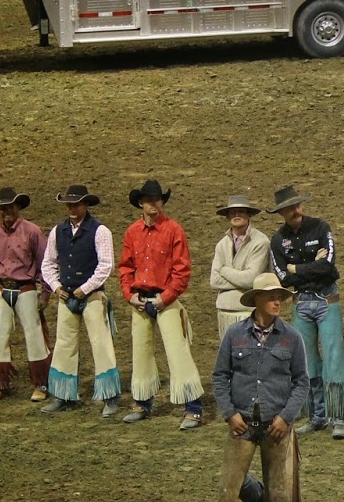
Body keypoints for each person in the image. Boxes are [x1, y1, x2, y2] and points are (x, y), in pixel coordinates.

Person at [211, 272, 310, 502]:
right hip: (241, 422)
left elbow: (301, 381)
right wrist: (229, 413)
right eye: (271, 296)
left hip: (276, 424)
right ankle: (258, 500)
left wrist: (286, 417)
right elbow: (220, 376)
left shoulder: (292, 338)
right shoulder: (234, 335)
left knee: (280, 488)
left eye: (279, 296)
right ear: (257, 300)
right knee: (233, 482)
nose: (277, 300)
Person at [118, 178, 205, 428]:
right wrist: (129, 294)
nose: (153, 204)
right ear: (141, 203)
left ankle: (193, 407)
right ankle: (142, 402)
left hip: (164, 299)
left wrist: (165, 297)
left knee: (178, 352)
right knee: (140, 352)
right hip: (140, 298)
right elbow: (126, 267)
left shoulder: (173, 229)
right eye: (149, 200)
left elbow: (182, 270)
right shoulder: (132, 232)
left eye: (157, 199)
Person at [267, 184, 344, 439]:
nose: (295, 210)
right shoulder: (277, 240)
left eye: (297, 205)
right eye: (289, 208)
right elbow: (282, 277)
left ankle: (339, 418)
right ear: (282, 212)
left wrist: (297, 269)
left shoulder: (321, 227)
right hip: (301, 303)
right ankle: (317, 416)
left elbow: (328, 266)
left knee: (334, 357)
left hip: (326, 300)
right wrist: (310, 265)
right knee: (307, 362)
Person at [40, 184, 122, 416]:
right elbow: (48, 262)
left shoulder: (100, 231)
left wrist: (84, 288)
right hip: (66, 296)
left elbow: (106, 266)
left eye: (75, 204)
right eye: (69, 204)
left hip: (92, 296)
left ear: (85, 205)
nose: (71, 208)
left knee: (101, 344)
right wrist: (56, 287)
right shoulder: (58, 231)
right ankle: (64, 395)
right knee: (65, 345)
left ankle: (110, 397)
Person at [0, 186, 51, 406]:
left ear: (17, 207)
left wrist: (44, 293)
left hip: (25, 287)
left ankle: (41, 384)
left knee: (34, 336)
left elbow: (44, 263)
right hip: (2, 288)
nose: (6, 212)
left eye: (9, 207)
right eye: (2, 208)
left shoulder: (32, 231)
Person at [209, 194, 270, 336]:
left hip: (250, 311)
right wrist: (240, 278)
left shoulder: (260, 242)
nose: (236, 215)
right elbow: (214, 281)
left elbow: (251, 279)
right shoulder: (221, 244)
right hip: (224, 311)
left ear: (248, 215)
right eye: (232, 212)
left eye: (241, 211)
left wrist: (224, 270)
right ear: (228, 217)